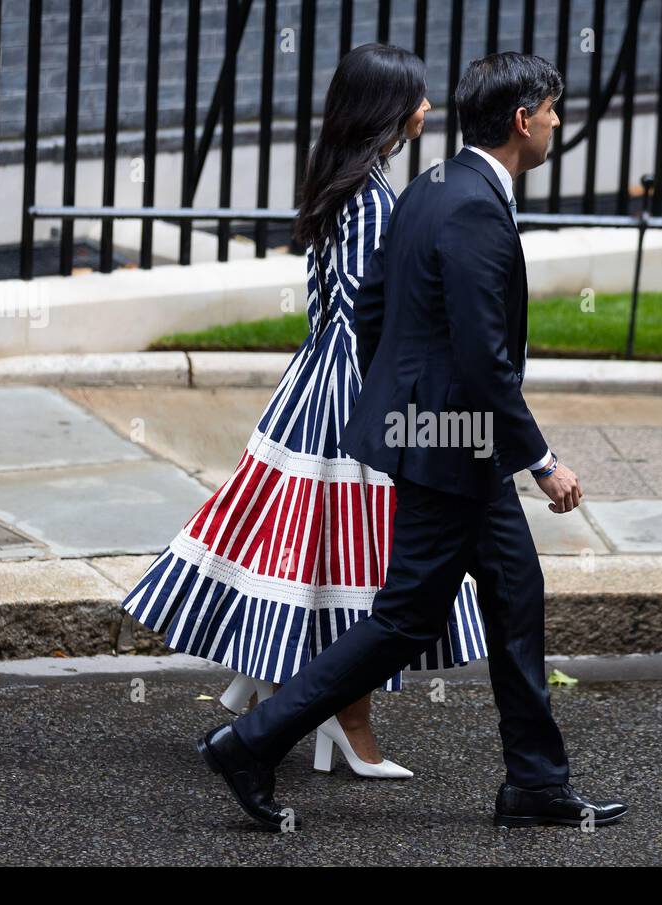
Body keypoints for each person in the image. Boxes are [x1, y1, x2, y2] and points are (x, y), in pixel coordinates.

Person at [197, 52, 628, 831]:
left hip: (451, 445)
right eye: (555, 110)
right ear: (523, 120)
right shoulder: (469, 207)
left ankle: (535, 782)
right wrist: (543, 461)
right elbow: (481, 357)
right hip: (453, 450)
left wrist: (401, 404)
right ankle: (250, 742)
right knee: (404, 618)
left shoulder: (432, 187)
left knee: (513, 594)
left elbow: (371, 315)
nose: (560, 123)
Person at [122, 44, 491, 780]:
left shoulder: (345, 180)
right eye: (417, 97)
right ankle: (347, 724)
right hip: (351, 393)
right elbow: (365, 314)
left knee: (300, 542)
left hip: (319, 381)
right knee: (361, 561)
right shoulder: (370, 196)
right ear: (389, 109)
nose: (427, 109)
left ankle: (269, 683)